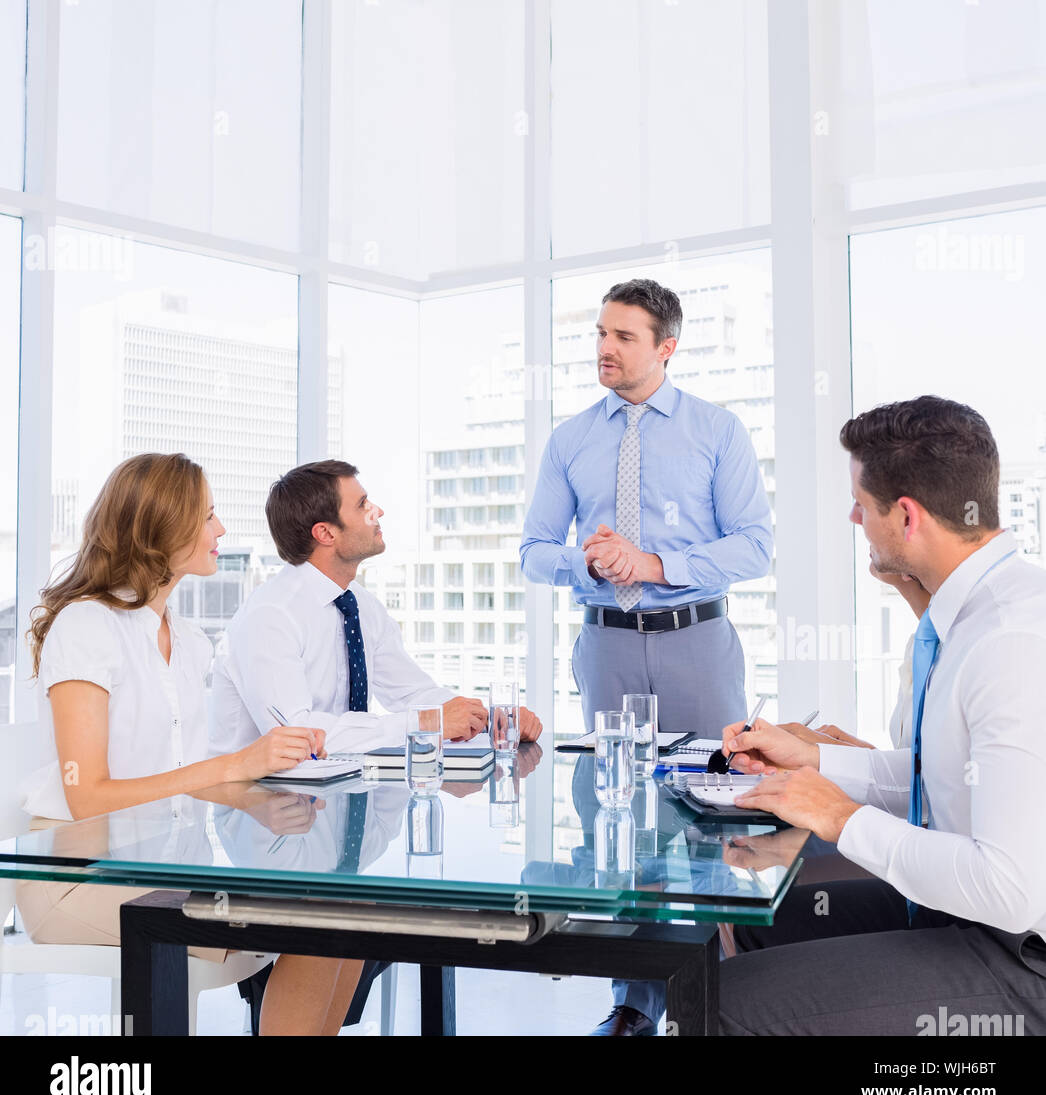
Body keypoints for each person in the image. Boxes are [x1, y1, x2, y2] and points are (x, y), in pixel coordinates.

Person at [717, 396, 1046, 1035]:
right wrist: (814, 761)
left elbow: (1011, 887)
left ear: (906, 515)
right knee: (767, 922)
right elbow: (944, 779)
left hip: (1022, 953)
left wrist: (842, 817)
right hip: (977, 917)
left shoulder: (1009, 640)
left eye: (861, 505)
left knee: (719, 1002)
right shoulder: (976, 613)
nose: (853, 517)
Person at [17, 452, 363, 1036]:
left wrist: (269, 794)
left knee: (350, 911)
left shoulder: (189, 639)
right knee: (317, 922)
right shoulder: (86, 627)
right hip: (79, 878)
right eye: (207, 516)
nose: (221, 529)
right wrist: (233, 766)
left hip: (160, 862)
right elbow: (88, 800)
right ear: (160, 529)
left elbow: (187, 775)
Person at [519, 277, 772, 1036]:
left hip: (698, 643)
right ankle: (632, 1004)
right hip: (607, 650)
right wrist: (589, 566)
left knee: (715, 819)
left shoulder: (717, 430)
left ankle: (721, 1002)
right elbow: (534, 552)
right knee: (615, 826)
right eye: (600, 333)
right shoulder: (570, 440)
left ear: (666, 346)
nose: (605, 348)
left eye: (624, 336)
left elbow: (755, 545)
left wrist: (654, 563)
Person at [211, 459, 542, 760]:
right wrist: (427, 723)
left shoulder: (359, 604)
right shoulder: (271, 615)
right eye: (362, 505)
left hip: (337, 793)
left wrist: (490, 720)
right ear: (325, 532)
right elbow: (298, 735)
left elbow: (413, 693)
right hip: (266, 809)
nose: (378, 511)